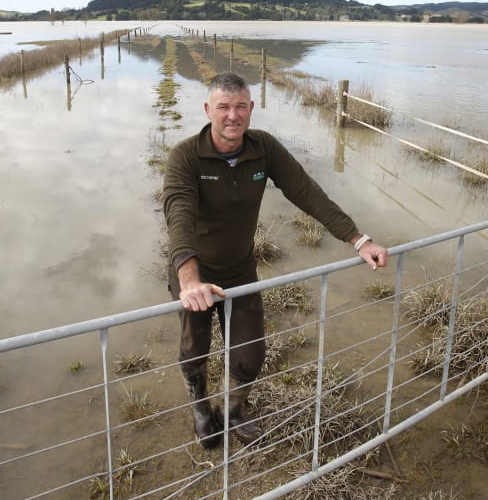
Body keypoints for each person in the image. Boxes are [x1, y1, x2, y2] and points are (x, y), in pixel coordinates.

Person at [162, 72, 389, 448]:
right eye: (223, 107)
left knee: (250, 354)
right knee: (193, 349)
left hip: (240, 272)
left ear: (251, 108)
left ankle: (233, 412)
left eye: (240, 107)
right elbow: (179, 213)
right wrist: (189, 278)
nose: (232, 115)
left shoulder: (263, 148)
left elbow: (307, 192)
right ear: (207, 110)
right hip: (196, 276)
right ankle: (201, 409)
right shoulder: (185, 156)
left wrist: (358, 239)